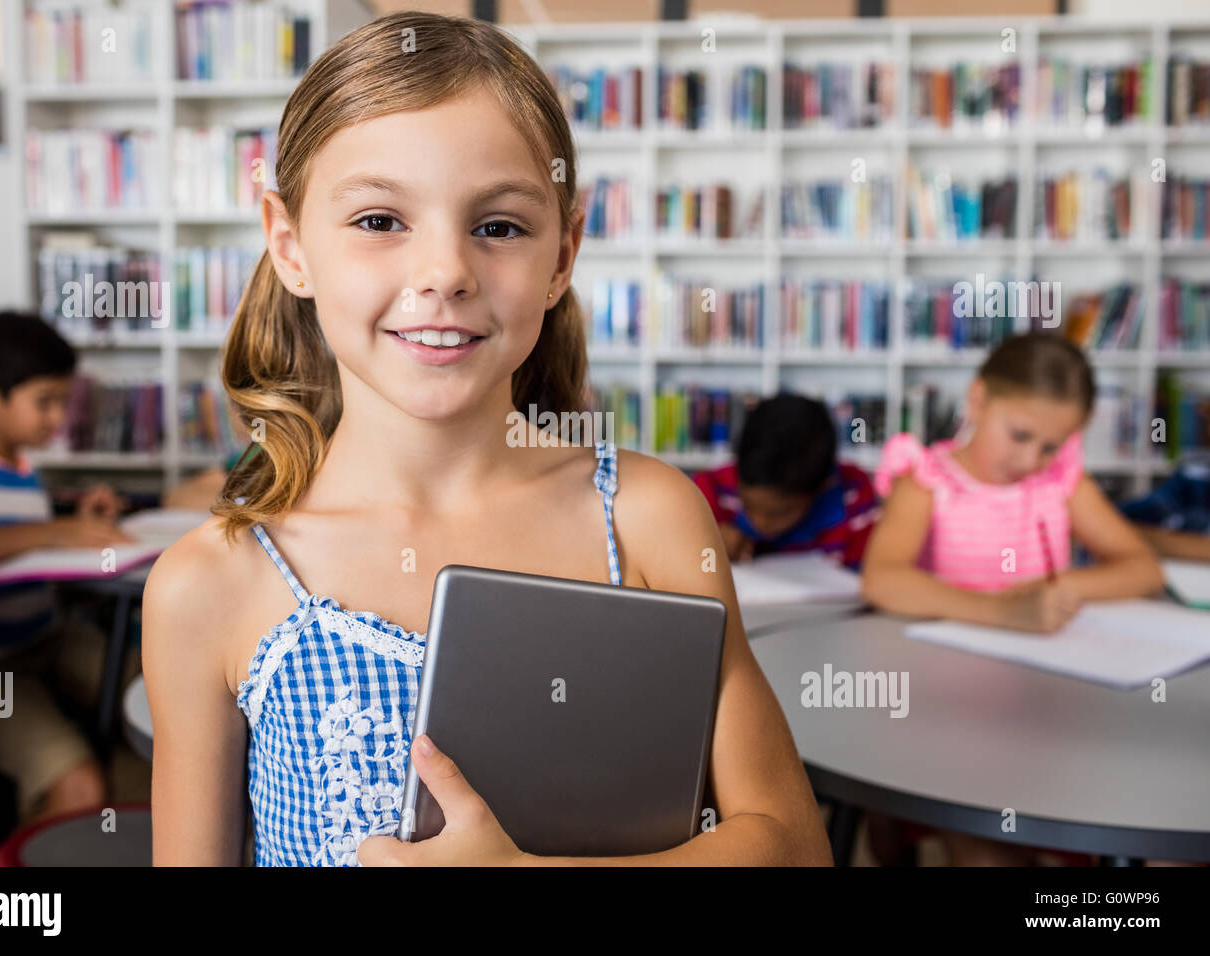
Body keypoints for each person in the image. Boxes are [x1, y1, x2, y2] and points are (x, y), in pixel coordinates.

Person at [143, 11, 832, 867]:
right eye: (379, 221)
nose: (446, 273)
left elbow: (796, 847)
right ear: (289, 245)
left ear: (563, 254)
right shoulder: (209, 584)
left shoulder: (648, 519)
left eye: (498, 226)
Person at [861, 331, 1163, 865]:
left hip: (1047, 702)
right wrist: (1002, 610)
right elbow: (882, 580)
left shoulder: (1062, 481)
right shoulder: (929, 480)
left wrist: (1057, 589)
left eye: (1051, 445)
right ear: (979, 400)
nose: (1032, 459)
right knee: (988, 851)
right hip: (947, 704)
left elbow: (1142, 568)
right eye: (1020, 434)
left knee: (1103, 807)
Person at [0, 310, 137, 827]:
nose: (59, 419)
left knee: (156, 684)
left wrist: (74, 521)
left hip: (42, 641)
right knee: (79, 784)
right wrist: (49, 532)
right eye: (46, 402)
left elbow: (22, 542)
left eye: (64, 401)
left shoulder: (21, 468)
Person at [692, 393, 879, 569]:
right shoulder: (707, 494)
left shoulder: (853, 496)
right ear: (737, 470)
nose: (760, 523)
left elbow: (863, 580)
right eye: (748, 505)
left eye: (779, 514)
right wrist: (706, 551)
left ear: (823, 486)